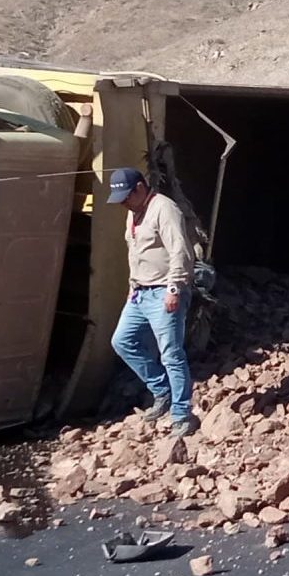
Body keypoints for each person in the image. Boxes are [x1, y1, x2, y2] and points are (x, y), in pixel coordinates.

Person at [105, 167, 198, 437]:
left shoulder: (164, 209)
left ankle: (181, 415)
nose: (123, 203)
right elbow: (135, 251)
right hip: (140, 292)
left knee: (171, 354)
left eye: (126, 197)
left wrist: (174, 289)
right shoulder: (133, 213)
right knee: (122, 341)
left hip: (164, 291)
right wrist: (131, 286)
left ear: (140, 188)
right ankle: (161, 390)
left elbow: (180, 250)